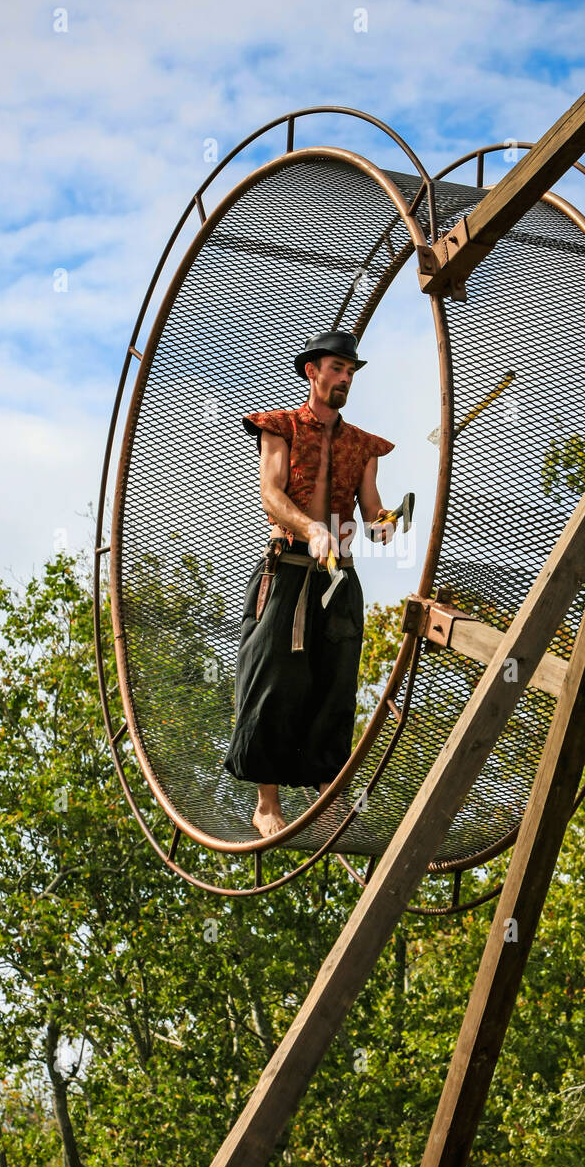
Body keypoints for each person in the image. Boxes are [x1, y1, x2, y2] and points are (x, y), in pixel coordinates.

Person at [222, 331, 396, 838]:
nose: (344, 379)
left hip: (339, 579)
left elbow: (371, 511)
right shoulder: (280, 428)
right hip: (288, 570)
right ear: (312, 372)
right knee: (272, 679)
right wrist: (310, 527)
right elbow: (271, 496)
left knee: (334, 684)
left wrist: (386, 523)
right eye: (337, 369)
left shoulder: (364, 445)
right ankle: (266, 801)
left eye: (350, 372)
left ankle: (325, 789)